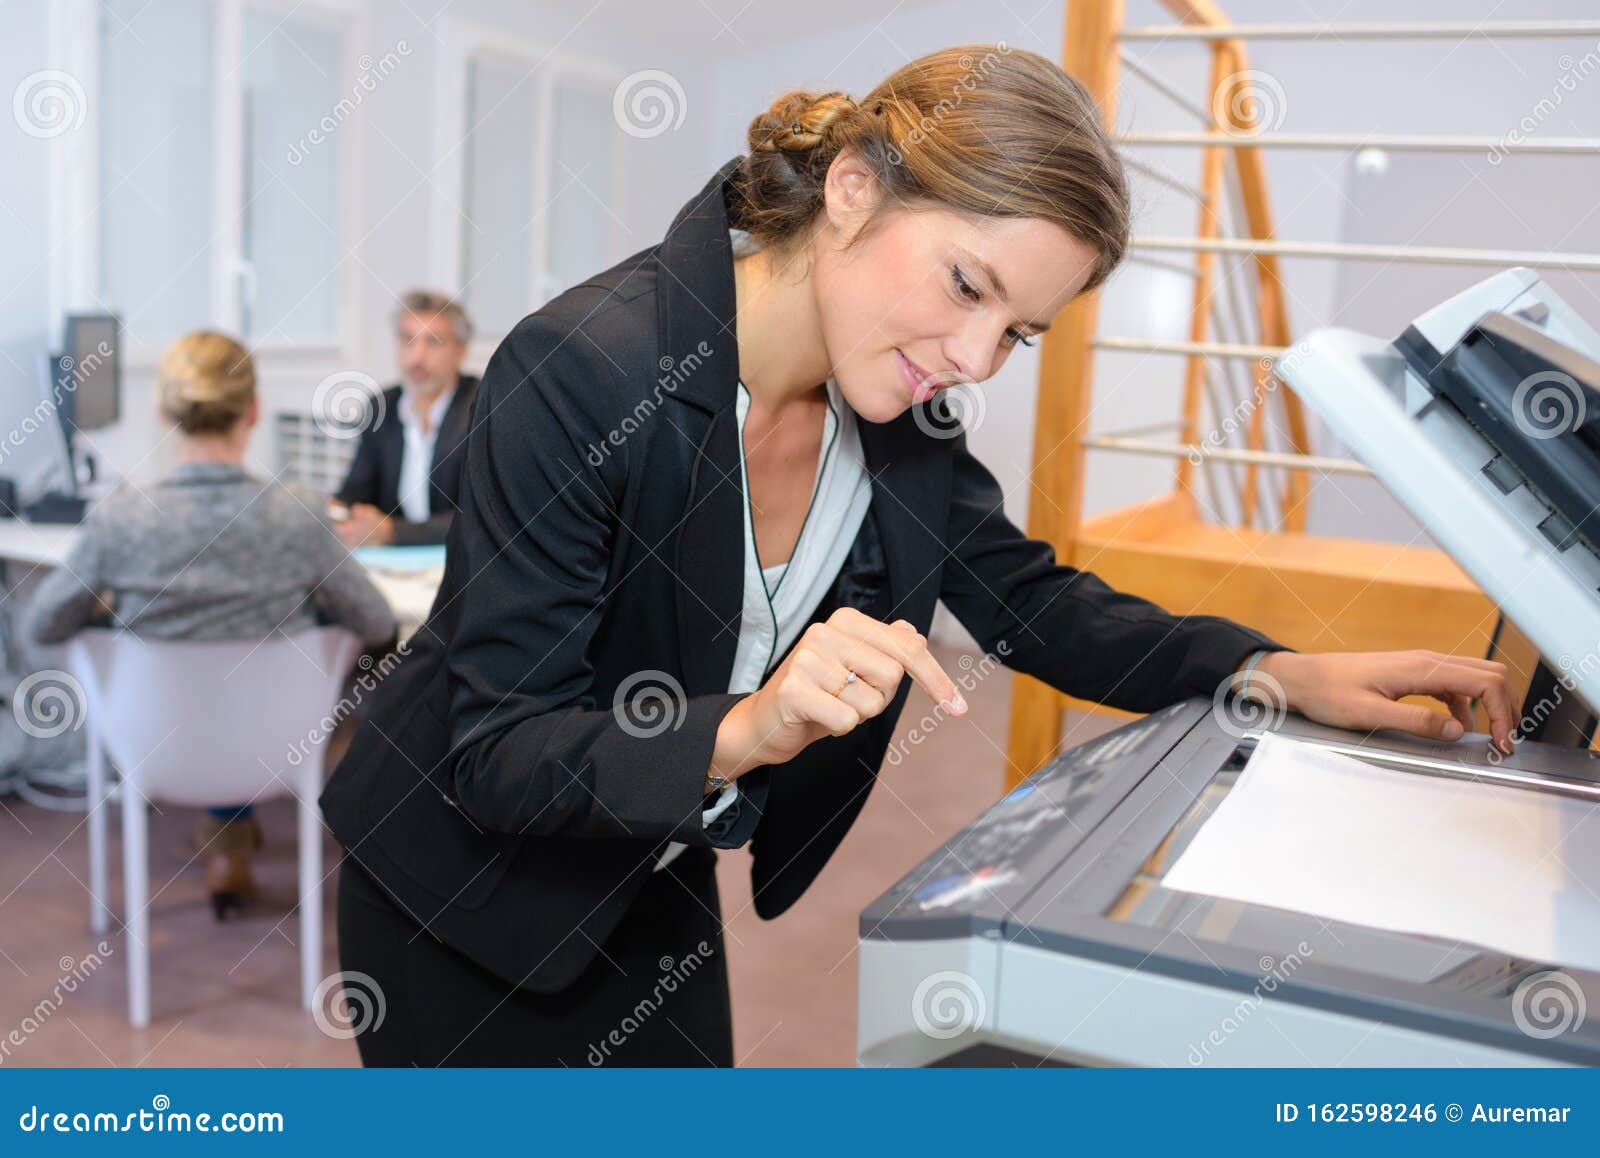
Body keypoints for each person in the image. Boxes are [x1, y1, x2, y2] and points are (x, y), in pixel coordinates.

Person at [320, 46, 1515, 1067]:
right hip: (459, 893)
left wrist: (1275, 668)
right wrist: (750, 725)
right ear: (850, 188)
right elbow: (500, 752)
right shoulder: (586, 368)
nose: (979, 358)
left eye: (1019, 330)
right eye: (965, 287)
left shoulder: (892, 414)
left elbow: (1032, 603)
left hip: (647, 860)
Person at [24, 331, 396, 917]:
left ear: (164, 413)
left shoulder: (120, 519)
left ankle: (227, 852)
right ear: (253, 410)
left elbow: (42, 624)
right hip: (279, 750)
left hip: (155, 750)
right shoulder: (297, 514)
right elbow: (375, 622)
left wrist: (107, 614)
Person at [331, 291, 480, 548]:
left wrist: (394, 532)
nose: (417, 357)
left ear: (460, 351)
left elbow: (481, 518)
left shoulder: (483, 408)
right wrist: (334, 510)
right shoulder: (382, 406)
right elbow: (356, 492)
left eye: (433, 343)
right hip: (394, 566)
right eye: (407, 340)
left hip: (460, 562)